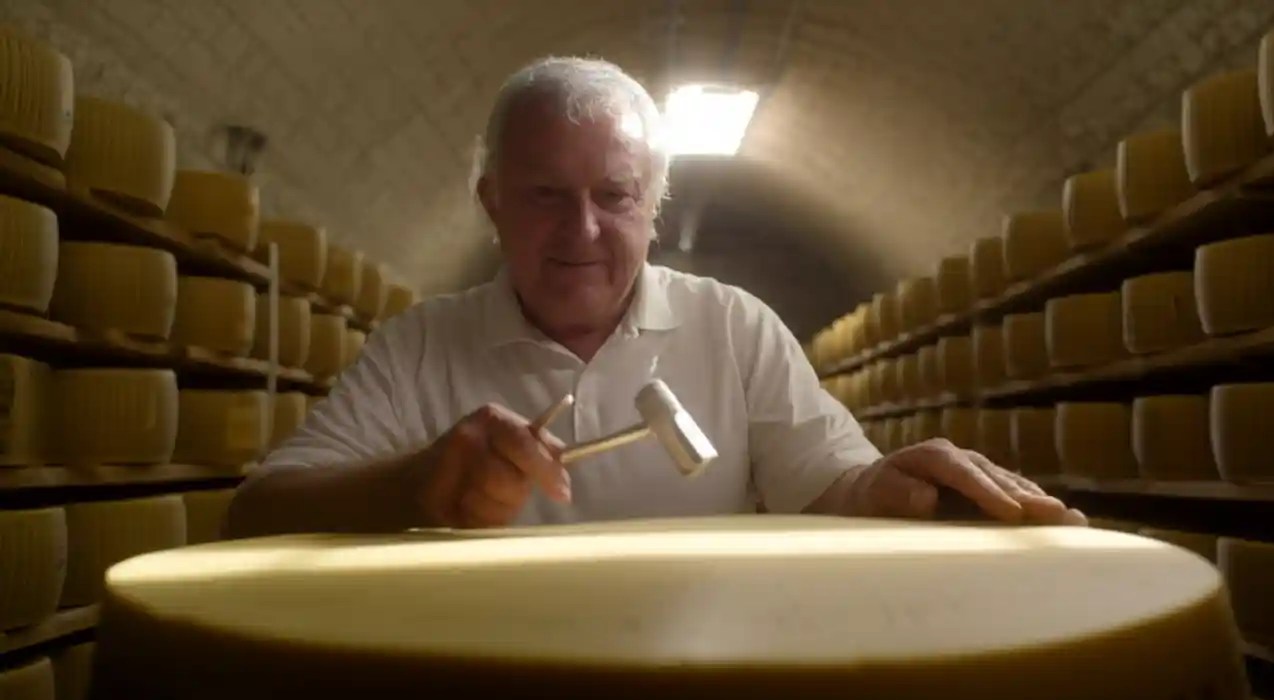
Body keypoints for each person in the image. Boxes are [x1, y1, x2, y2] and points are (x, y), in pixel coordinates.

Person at [225, 56, 1085, 538]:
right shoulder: (421, 348)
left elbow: (831, 485)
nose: (583, 231)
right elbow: (253, 516)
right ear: (492, 204)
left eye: (614, 196)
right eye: (545, 196)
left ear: (654, 207)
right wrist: (411, 486)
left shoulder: (734, 327)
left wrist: (889, 486)